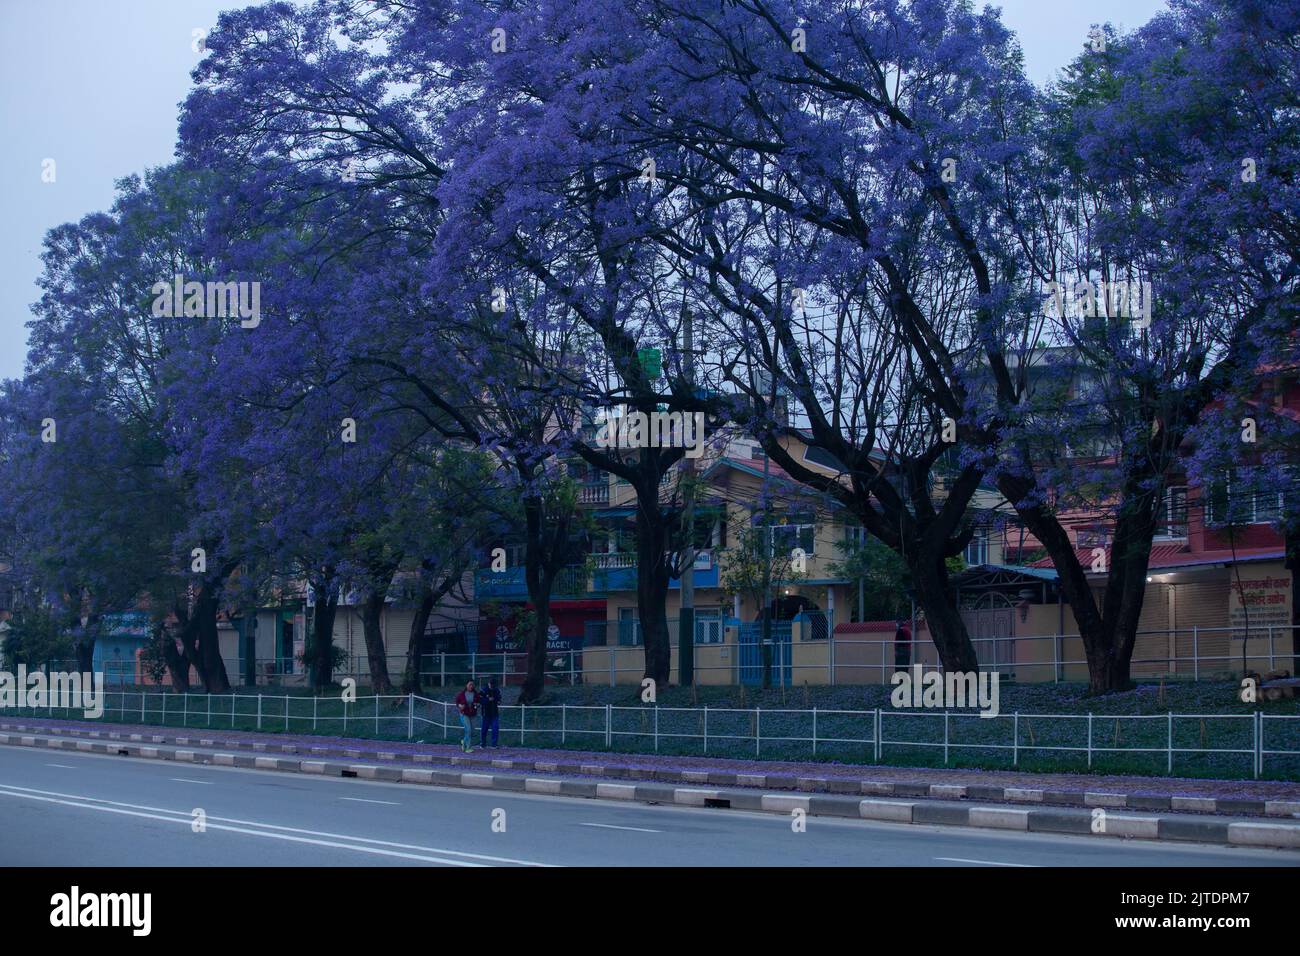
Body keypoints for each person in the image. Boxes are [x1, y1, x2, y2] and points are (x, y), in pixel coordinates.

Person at [455, 680, 479, 753]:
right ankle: (468, 747)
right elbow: (457, 702)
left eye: (472, 685)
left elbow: (479, 702)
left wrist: (477, 705)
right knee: (468, 730)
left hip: (472, 714)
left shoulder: (475, 694)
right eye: (470, 685)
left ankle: (464, 741)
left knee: (472, 731)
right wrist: (460, 706)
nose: (471, 686)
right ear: (466, 685)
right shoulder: (462, 694)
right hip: (464, 714)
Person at [480, 677, 502, 749]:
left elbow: (499, 699)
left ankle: (494, 744)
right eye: (491, 685)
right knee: (484, 729)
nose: (493, 687)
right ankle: (483, 744)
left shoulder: (497, 690)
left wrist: (498, 701)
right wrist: (487, 699)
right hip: (486, 713)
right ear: (489, 683)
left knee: (495, 728)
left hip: (494, 712)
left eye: (494, 686)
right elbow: (480, 700)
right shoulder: (483, 690)